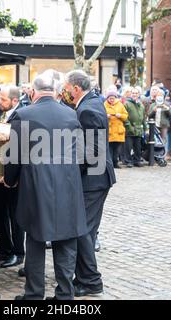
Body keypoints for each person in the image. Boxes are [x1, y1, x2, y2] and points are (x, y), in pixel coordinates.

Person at [5, 73, 88, 300]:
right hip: (68, 185)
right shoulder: (71, 114)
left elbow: (13, 157)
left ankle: (33, 294)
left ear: (33, 92)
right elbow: (82, 156)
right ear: (56, 91)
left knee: (35, 240)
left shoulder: (23, 115)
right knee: (66, 240)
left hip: (35, 186)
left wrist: (10, 180)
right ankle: (64, 294)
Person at [63, 70, 116, 297]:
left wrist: (69, 166)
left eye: (66, 88)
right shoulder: (91, 103)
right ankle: (85, 277)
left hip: (93, 180)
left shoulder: (88, 108)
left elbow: (93, 152)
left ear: (76, 88)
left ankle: (91, 281)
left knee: (83, 230)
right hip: (95, 178)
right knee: (86, 230)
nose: (65, 92)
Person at [0, 85, 25, 268]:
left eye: (3, 99)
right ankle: (4, 249)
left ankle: (18, 253)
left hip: (13, 176)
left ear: (15, 101)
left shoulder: (22, 115)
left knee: (15, 215)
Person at [104, 87, 128, 169]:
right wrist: (106, 116)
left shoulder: (120, 105)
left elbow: (126, 116)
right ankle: (110, 164)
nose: (111, 100)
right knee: (110, 149)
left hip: (118, 131)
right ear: (107, 98)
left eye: (113, 98)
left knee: (117, 149)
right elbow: (100, 116)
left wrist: (120, 115)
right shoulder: (104, 105)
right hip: (110, 131)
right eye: (110, 98)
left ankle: (115, 163)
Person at [123, 88, 146, 168]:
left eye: (136, 93)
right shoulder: (126, 104)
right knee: (128, 146)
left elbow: (143, 118)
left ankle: (137, 160)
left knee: (138, 147)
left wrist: (145, 128)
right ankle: (128, 161)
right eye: (133, 93)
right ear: (130, 94)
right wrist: (129, 127)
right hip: (129, 129)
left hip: (139, 129)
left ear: (138, 94)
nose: (134, 94)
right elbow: (125, 117)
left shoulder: (141, 105)